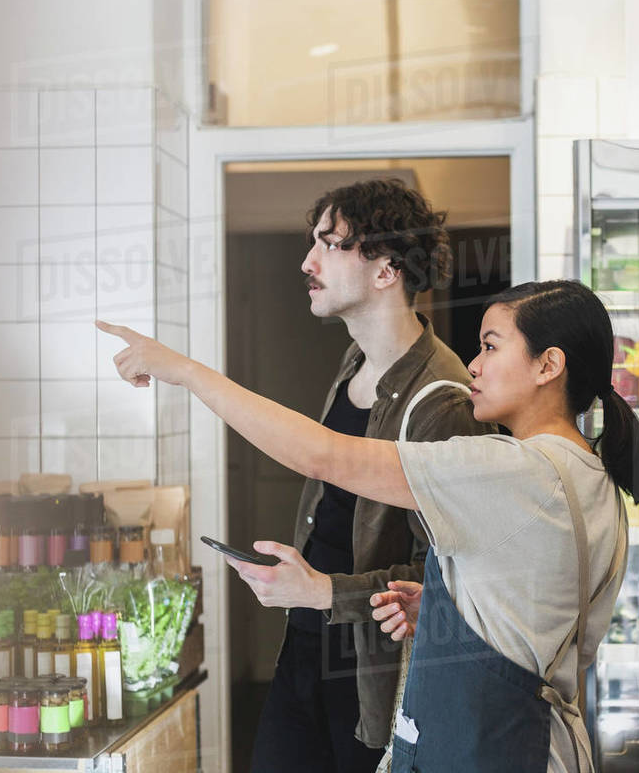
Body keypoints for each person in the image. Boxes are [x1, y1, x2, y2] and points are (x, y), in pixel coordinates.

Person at [97, 278, 639, 773]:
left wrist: (186, 372)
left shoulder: (514, 469)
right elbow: (534, 616)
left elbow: (326, 457)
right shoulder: (591, 478)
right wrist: (446, 612)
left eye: (489, 346)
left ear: (548, 365)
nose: (474, 364)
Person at [203, 179, 493, 772]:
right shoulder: (356, 359)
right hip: (307, 640)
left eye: (330, 245)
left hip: (373, 673)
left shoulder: (444, 399)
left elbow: (453, 572)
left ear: (386, 270)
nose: (308, 262)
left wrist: (324, 591)